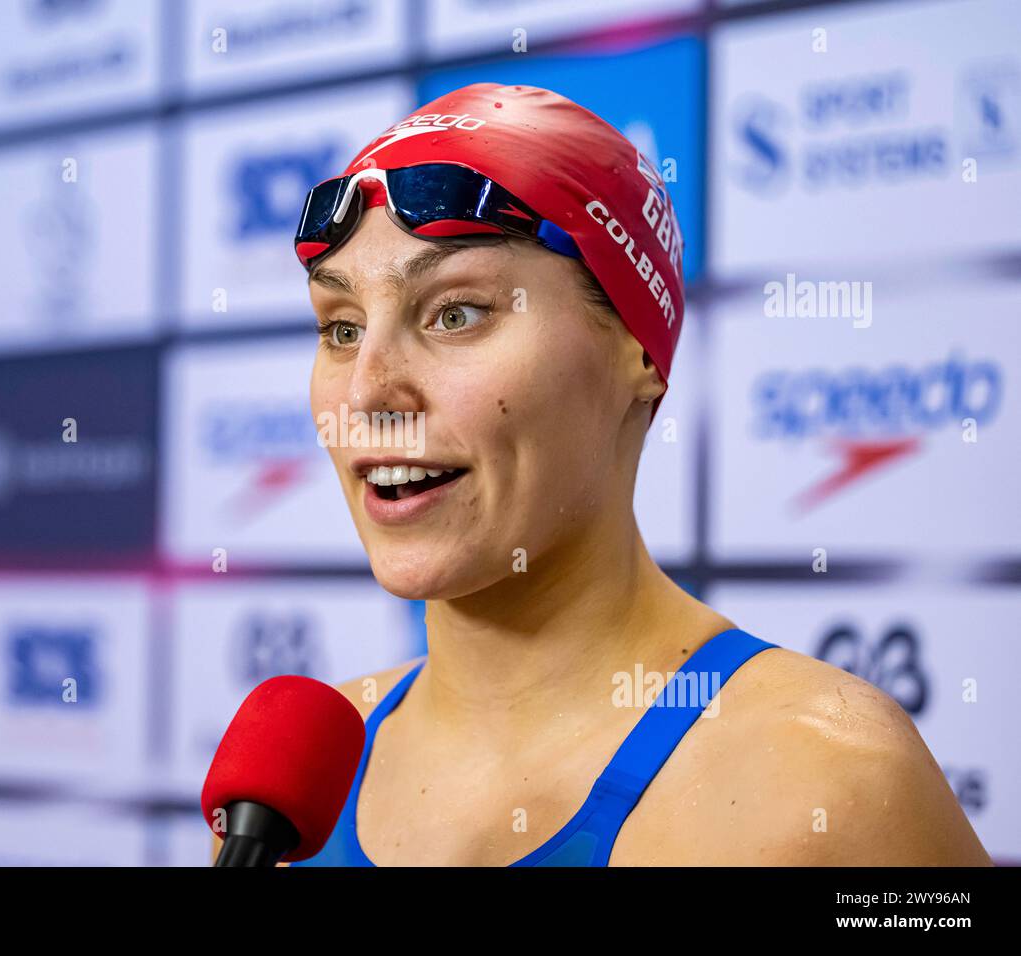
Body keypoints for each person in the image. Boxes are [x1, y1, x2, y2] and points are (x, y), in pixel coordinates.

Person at [243, 83, 990, 866]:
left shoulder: (825, 785)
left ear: (637, 350)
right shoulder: (293, 786)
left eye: (456, 313)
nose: (365, 392)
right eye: (341, 327)